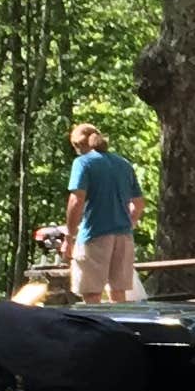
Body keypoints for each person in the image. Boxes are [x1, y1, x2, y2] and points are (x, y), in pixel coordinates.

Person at [62, 120, 146, 303]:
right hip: (123, 236)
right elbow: (138, 203)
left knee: (92, 294)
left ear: (78, 145)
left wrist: (69, 237)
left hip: (94, 234)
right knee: (118, 293)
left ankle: (94, 330)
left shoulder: (83, 163)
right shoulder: (123, 164)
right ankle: (119, 329)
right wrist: (128, 222)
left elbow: (76, 201)